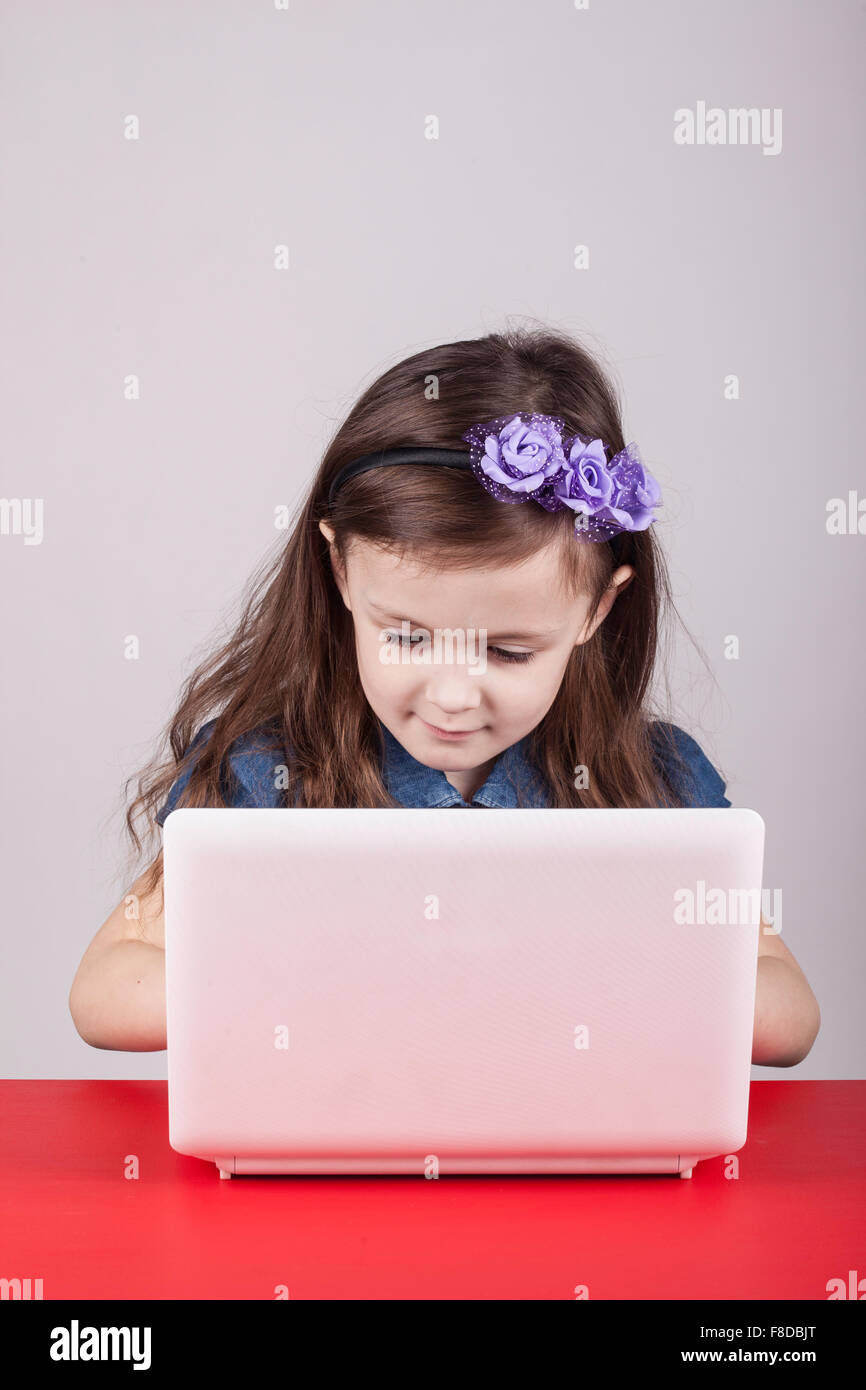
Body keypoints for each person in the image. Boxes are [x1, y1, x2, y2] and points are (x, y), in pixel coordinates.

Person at [68, 324, 820, 1062]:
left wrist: (587, 979)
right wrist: (339, 984)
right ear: (341, 575)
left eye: (508, 650)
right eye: (408, 637)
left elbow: (787, 1016)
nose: (454, 696)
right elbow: (106, 990)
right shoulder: (265, 769)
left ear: (596, 610)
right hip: (328, 1159)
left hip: (570, 1165)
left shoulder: (649, 780)